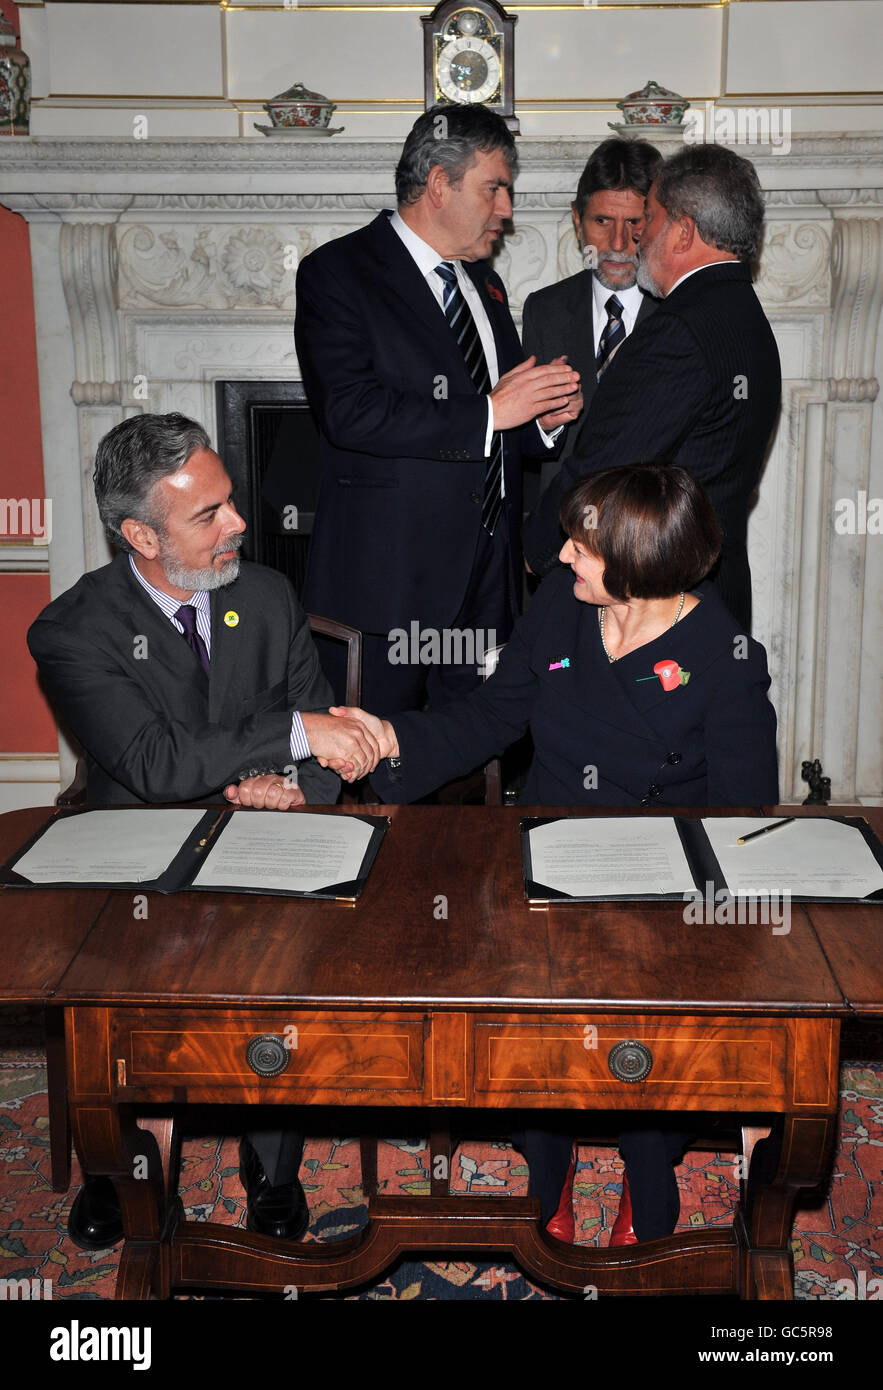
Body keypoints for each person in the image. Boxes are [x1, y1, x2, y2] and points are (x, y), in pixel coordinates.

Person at [330, 462, 779, 1242]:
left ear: (640, 565)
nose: (562, 555)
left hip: (658, 884)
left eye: (583, 546)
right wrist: (389, 740)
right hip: (543, 856)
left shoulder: (723, 658)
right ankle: (549, 1163)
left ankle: (647, 1174)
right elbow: (490, 718)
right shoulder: (562, 612)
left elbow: (739, 821)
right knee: (523, 997)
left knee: (636, 1012)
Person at [27, 412, 381, 1250]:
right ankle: (125, 1162)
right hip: (134, 855)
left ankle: (274, 1165)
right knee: (116, 990)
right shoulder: (73, 632)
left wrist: (298, 789)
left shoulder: (262, 594)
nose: (239, 526)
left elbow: (323, 744)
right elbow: (152, 763)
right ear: (140, 535)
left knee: (282, 958)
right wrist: (292, 735)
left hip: (264, 840)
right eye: (210, 515)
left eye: (230, 502)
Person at [295, 103, 582, 716]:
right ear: (438, 185)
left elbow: (495, 423)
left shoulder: (485, 284)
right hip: (389, 588)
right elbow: (349, 412)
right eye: (494, 188)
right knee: (370, 762)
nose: (506, 209)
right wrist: (491, 413)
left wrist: (541, 422)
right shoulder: (337, 273)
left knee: (475, 752)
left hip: (488, 584)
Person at [523, 143, 782, 633]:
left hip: (659, 606)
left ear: (683, 232)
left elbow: (603, 468)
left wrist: (536, 551)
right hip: (706, 598)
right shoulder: (743, 312)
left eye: (651, 219)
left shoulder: (679, 328)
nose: (638, 239)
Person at [522, 136, 661, 492]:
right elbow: (522, 448)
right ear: (577, 220)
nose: (618, 243)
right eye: (602, 220)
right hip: (560, 531)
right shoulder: (545, 309)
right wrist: (546, 424)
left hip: (650, 535)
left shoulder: (682, 314)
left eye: (635, 223)